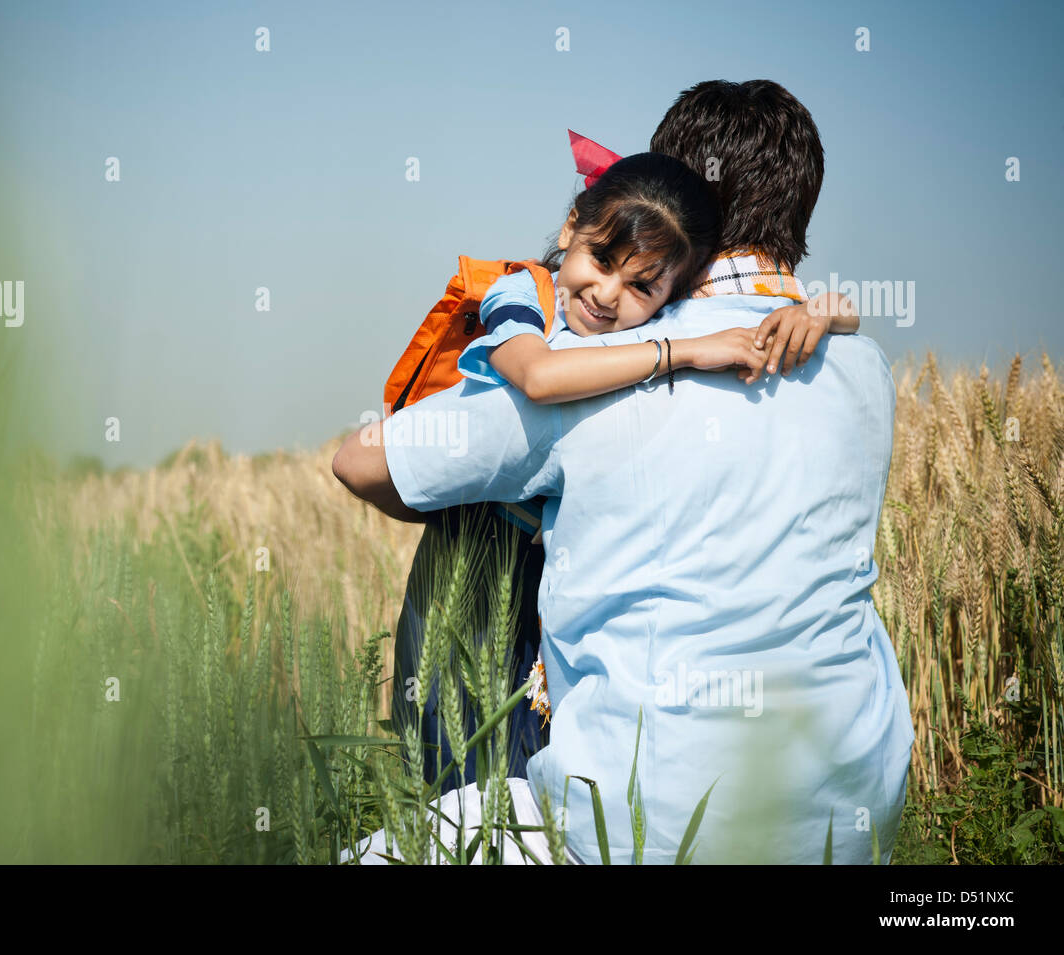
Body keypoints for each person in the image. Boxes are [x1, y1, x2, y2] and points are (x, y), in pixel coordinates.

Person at [335, 79, 914, 864]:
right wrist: (834, 307)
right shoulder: (865, 366)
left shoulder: (600, 366)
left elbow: (364, 461)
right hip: (854, 822)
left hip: (638, 826)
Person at [392, 151, 858, 798]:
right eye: (601, 260)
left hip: (555, 570)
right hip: (473, 559)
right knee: (453, 772)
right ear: (569, 230)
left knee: (528, 772)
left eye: (643, 285)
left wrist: (819, 314)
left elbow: (848, 307)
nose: (609, 295)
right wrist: (685, 350)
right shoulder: (527, 291)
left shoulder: (645, 321)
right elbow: (539, 377)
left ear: (674, 291)